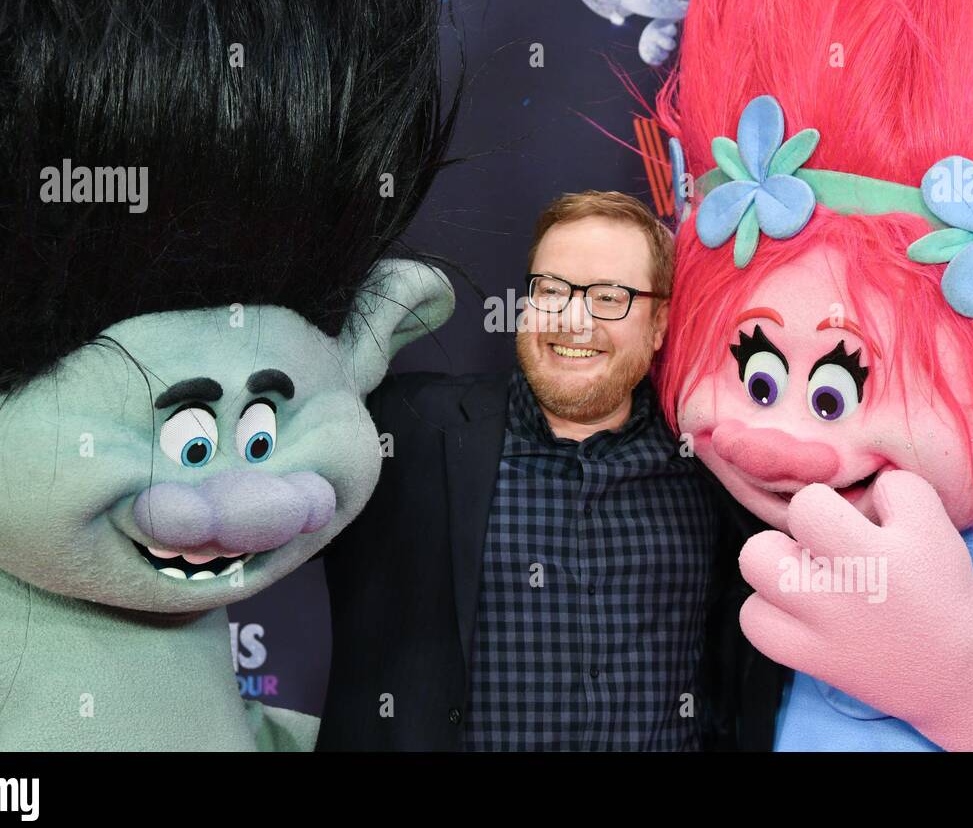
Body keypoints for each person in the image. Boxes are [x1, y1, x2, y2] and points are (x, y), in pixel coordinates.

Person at [317, 190, 781, 751]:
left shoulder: (710, 466)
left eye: (610, 297)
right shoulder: (407, 426)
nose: (572, 319)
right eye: (551, 291)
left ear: (659, 324)